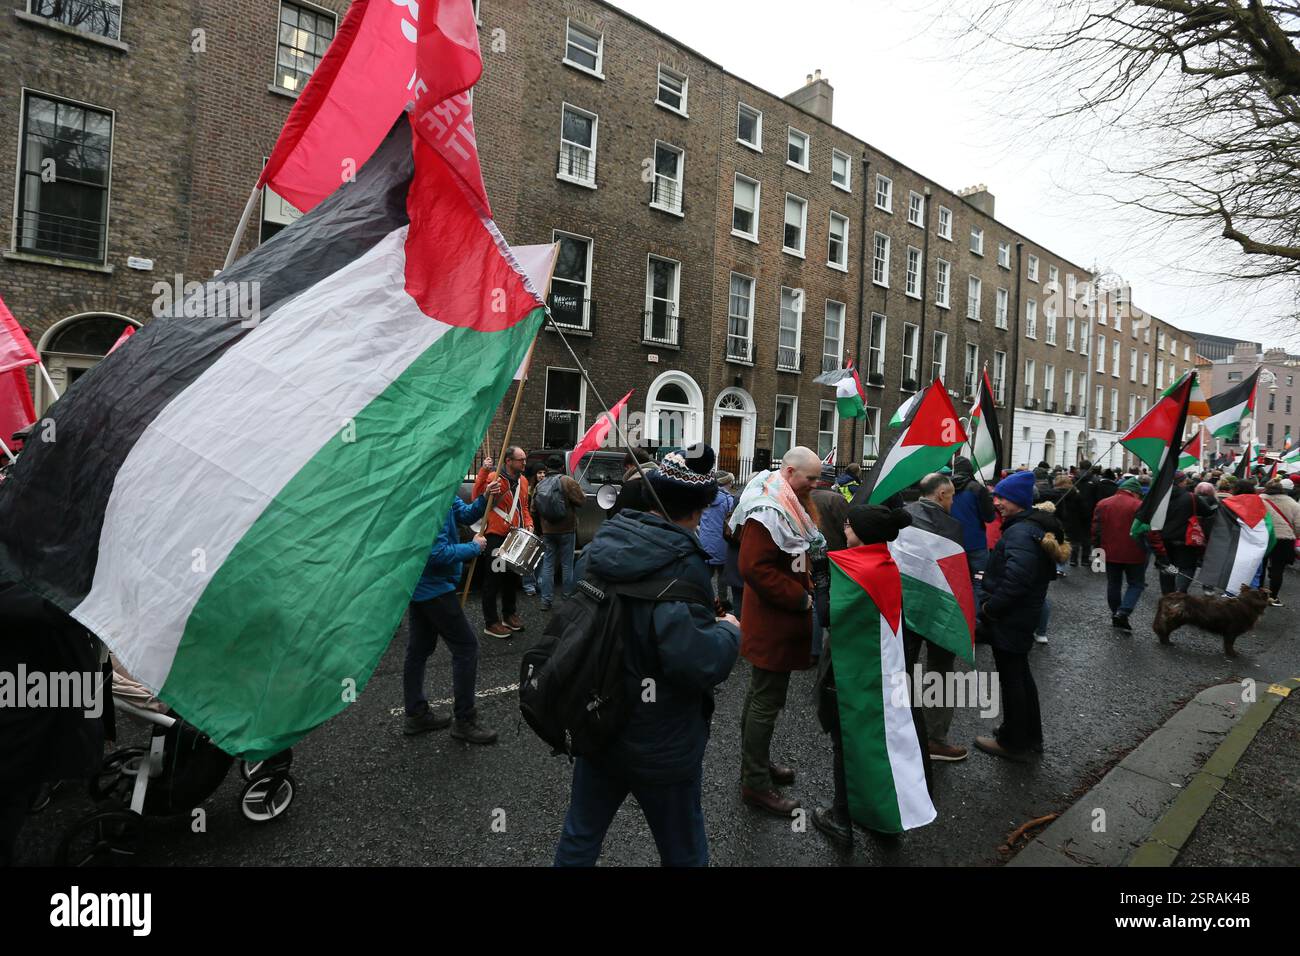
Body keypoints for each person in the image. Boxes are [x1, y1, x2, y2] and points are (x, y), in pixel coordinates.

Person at [553, 445, 739, 867]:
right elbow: (692, 660)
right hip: (660, 741)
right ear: (699, 507)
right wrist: (728, 634)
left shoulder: (603, 543)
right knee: (683, 849)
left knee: (581, 835)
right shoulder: (683, 562)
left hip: (596, 721)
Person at [811, 502, 913, 849]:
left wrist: (822, 576)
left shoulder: (855, 568)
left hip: (851, 673)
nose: (845, 529)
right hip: (881, 673)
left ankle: (841, 819)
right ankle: (884, 820)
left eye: (850, 526)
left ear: (862, 532)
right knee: (878, 745)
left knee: (846, 745)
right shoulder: (884, 561)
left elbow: (826, 615)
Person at [732, 447, 825, 817]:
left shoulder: (787, 499)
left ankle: (756, 764)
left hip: (778, 621)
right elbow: (753, 567)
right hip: (774, 622)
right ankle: (755, 783)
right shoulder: (771, 510)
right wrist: (800, 598)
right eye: (812, 479)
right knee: (765, 701)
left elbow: (793, 554)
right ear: (789, 472)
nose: (817, 485)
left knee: (761, 697)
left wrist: (806, 582)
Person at [974, 471, 1068, 762]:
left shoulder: (1019, 532)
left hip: (1011, 618)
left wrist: (990, 609)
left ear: (1017, 501)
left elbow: (1017, 580)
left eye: (1002, 497)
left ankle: (1014, 742)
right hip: (1021, 616)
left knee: (1013, 679)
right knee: (1021, 677)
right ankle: (1028, 736)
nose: (996, 501)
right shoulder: (1027, 528)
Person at [404, 482, 501, 744]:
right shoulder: (425, 500)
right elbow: (434, 553)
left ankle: (416, 713)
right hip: (433, 588)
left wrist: (485, 497)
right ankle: (465, 720)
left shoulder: (443, 489)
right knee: (466, 648)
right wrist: (473, 547)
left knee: (419, 650)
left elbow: (467, 514)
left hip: (425, 587)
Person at [902, 473, 969, 761]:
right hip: (939, 608)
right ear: (942, 494)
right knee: (940, 670)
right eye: (952, 495)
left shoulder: (901, 516)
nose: (953, 501)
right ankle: (934, 739)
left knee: (901, 666)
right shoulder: (950, 527)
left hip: (904, 605)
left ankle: (898, 731)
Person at [473, 447, 532, 638]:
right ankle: (491, 622)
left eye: (525, 459)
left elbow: (523, 506)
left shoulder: (523, 481)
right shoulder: (495, 478)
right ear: (508, 461)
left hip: (515, 537)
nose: (524, 463)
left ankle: (509, 614)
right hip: (496, 536)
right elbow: (477, 497)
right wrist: (483, 471)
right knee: (494, 578)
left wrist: (529, 523)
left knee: (512, 577)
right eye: (520, 460)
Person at [1092, 477, 1149, 630]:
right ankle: (1123, 612)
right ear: (1134, 492)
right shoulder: (1139, 505)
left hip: (1109, 550)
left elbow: (1096, 530)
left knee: (1113, 583)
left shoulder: (1103, 503)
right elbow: (1146, 531)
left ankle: (1115, 613)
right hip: (1135, 551)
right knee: (1136, 584)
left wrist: (1097, 550)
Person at [533, 454, 586, 611]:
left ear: (547, 468)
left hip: (547, 530)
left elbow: (533, 510)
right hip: (567, 529)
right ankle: (567, 599)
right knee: (567, 565)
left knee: (548, 564)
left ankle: (545, 600)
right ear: (562, 467)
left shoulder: (539, 485)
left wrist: (540, 529)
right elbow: (581, 501)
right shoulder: (567, 481)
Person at [951, 456, 995, 602]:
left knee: (956, 583)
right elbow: (989, 517)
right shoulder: (977, 489)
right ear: (970, 470)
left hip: (952, 542)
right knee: (978, 581)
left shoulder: (945, 488)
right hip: (976, 544)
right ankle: (974, 620)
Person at [1152, 473, 1198, 595]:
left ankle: (1168, 594)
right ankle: (1179, 592)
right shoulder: (1191, 497)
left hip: (1164, 539)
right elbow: (1207, 511)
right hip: (1184, 540)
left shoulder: (1159, 497)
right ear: (1181, 482)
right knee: (1186, 567)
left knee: (1168, 566)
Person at [698, 471, 736, 600]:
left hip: (704, 540)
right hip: (722, 542)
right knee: (722, 575)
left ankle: (704, 598)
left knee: (705, 574)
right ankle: (723, 600)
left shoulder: (704, 497)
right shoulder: (728, 500)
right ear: (727, 483)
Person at [1261, 480, 1300, 606]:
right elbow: (1298, 525)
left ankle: (1258, 595)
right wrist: (1295, 534)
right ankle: (1273, 597)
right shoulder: (1292, 503)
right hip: (1285, 538)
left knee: (1260, 566)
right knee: (1278, 569)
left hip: (1263, 536)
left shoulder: (1259, 499)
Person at [610, 448, 655, 516]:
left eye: (627, 468)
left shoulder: (631, 486)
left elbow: (617, 515)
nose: (626, 471)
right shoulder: (658, 482)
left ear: (631, 465)